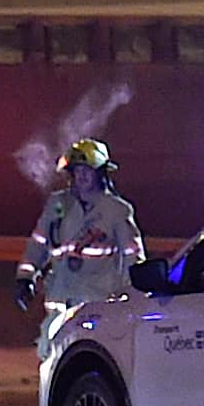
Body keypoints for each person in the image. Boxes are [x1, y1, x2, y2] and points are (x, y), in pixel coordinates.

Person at [19, 137, 144, 329]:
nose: (81, 176)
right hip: (60, 303)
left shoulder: (117, 210)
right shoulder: (57, 204)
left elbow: (132, 256)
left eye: (87, 170)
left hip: (100, 305)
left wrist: (136, 292)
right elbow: (38, 244)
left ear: (100, 173)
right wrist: (25, 278)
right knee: (53, 356)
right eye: (77, 170)